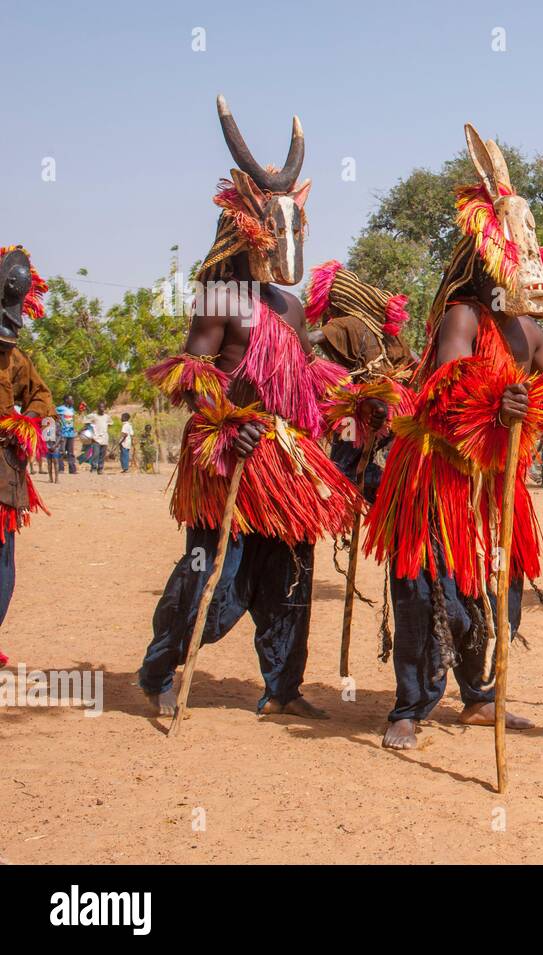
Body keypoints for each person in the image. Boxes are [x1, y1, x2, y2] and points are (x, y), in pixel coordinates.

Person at [363, 125, 543, 751]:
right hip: (437, 477)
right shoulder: (462, 316)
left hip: (494, 486)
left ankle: (479, 696)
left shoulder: (529, 329)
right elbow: (444, 389)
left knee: (489, 591)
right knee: (424, 589)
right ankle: (410, 707)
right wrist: (496, 407)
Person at [138, 95, 358, 720]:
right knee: (215, 578)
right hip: (227, 460)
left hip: (284, 462)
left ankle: (283, 686)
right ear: (246, 226)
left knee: (290, 577)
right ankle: (159, 666)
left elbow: (303, 382)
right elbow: (191, 376)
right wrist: (223, 426)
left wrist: (354, 404)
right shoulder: (219, 297)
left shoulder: (290, 307)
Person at [302, 259, 416, 504]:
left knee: (340, 470)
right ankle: (393, 491)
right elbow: (416, 361)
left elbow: (311, 338)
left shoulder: (344, 323)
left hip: (365, 409)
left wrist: (286, 339)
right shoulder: (386, 332)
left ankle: (391, 490)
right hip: (400, 406)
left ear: (337, 302)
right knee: (358, 464)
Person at [0, 245, 55, 649]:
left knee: (3, 568)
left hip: (3, 476)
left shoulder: (13, 358)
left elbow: (41, 396)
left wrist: (25, 425)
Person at [86, 404, 110, 474]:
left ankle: (100, 468)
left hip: (104, 438)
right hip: (96, 438)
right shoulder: (94, 416)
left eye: (103, 407)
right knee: (95, 454)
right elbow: (87, 423)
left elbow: (110, 424)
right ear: (98, 408)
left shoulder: (107, 417)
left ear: (105, 408)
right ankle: (93, 468)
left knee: (102, 455)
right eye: (100, 407)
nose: (101, 408)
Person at [55, 395, 76, 474]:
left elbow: (72, 420)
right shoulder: (59, 409)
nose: (73, 401)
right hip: (62, 434)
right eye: (71, 399)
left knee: (71, 452)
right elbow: (55, 418)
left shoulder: (72, 409)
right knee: (61, 451)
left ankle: (72, 469)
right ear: (66, 400)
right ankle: (61, 469)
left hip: (71, 434)